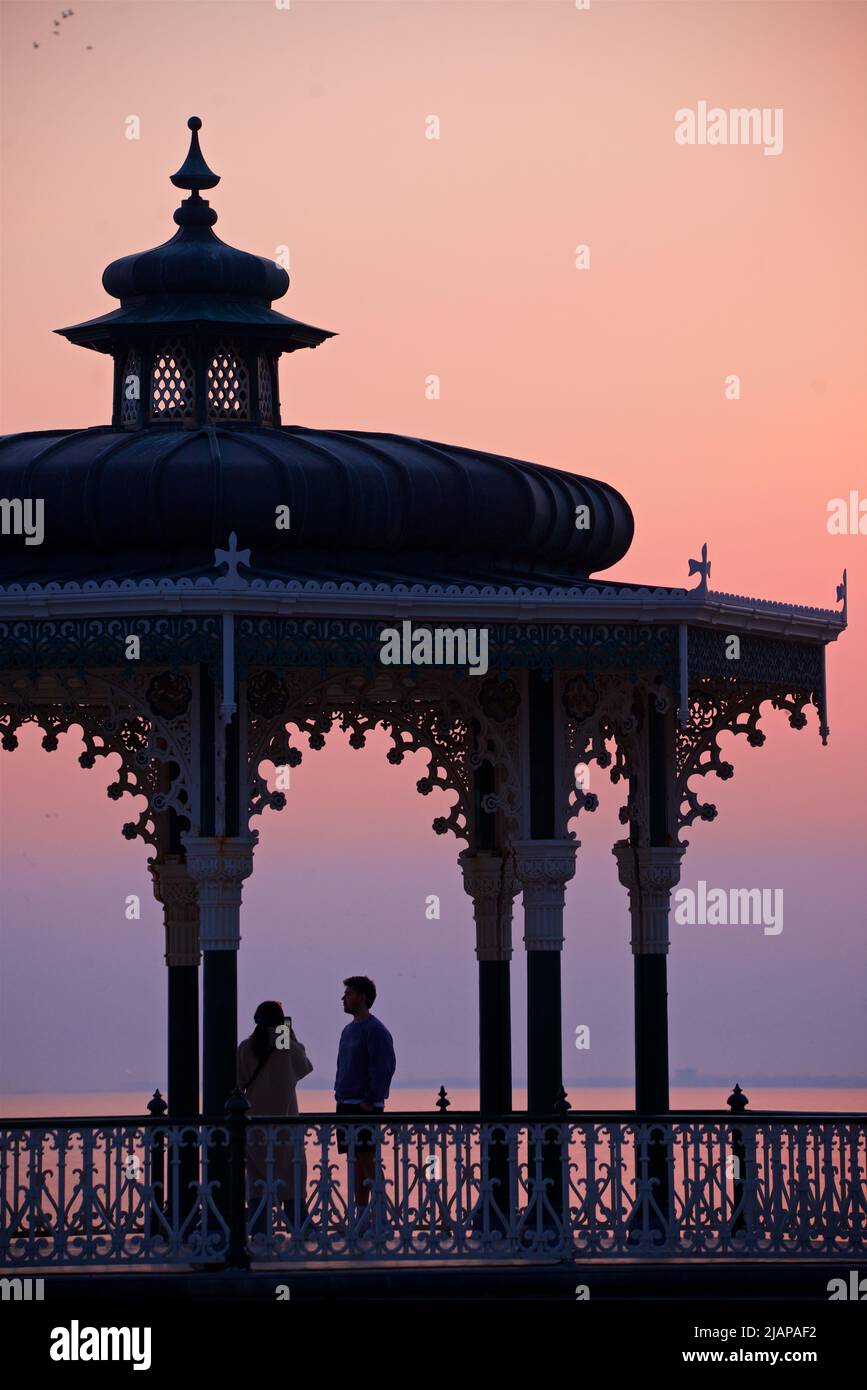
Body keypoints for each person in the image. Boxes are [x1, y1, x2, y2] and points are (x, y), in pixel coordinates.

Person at [237, 1000, 313, 1235]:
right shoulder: (286, 1046)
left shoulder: (246, 1047)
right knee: (291, 1181)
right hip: (285, 1126)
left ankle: (260, 1231)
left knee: (257, 1184)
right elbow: (304, 1067)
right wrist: (289, 1033)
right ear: (281, 1021)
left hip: (255, 1126)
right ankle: (301, 1229)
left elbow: (237, 1084)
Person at [334, 975, 396, 1208]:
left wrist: (370, 1100)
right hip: (346, 1103)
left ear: (362, 997)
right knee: (355, 1160)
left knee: (367, 1159)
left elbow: (384, 1068)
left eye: (348, 994)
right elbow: (342, 1065)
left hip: (363, 1106)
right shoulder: (347, 1031)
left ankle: (381, 1212)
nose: (343, 998)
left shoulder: (375, 1030)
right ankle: (361, 1213)